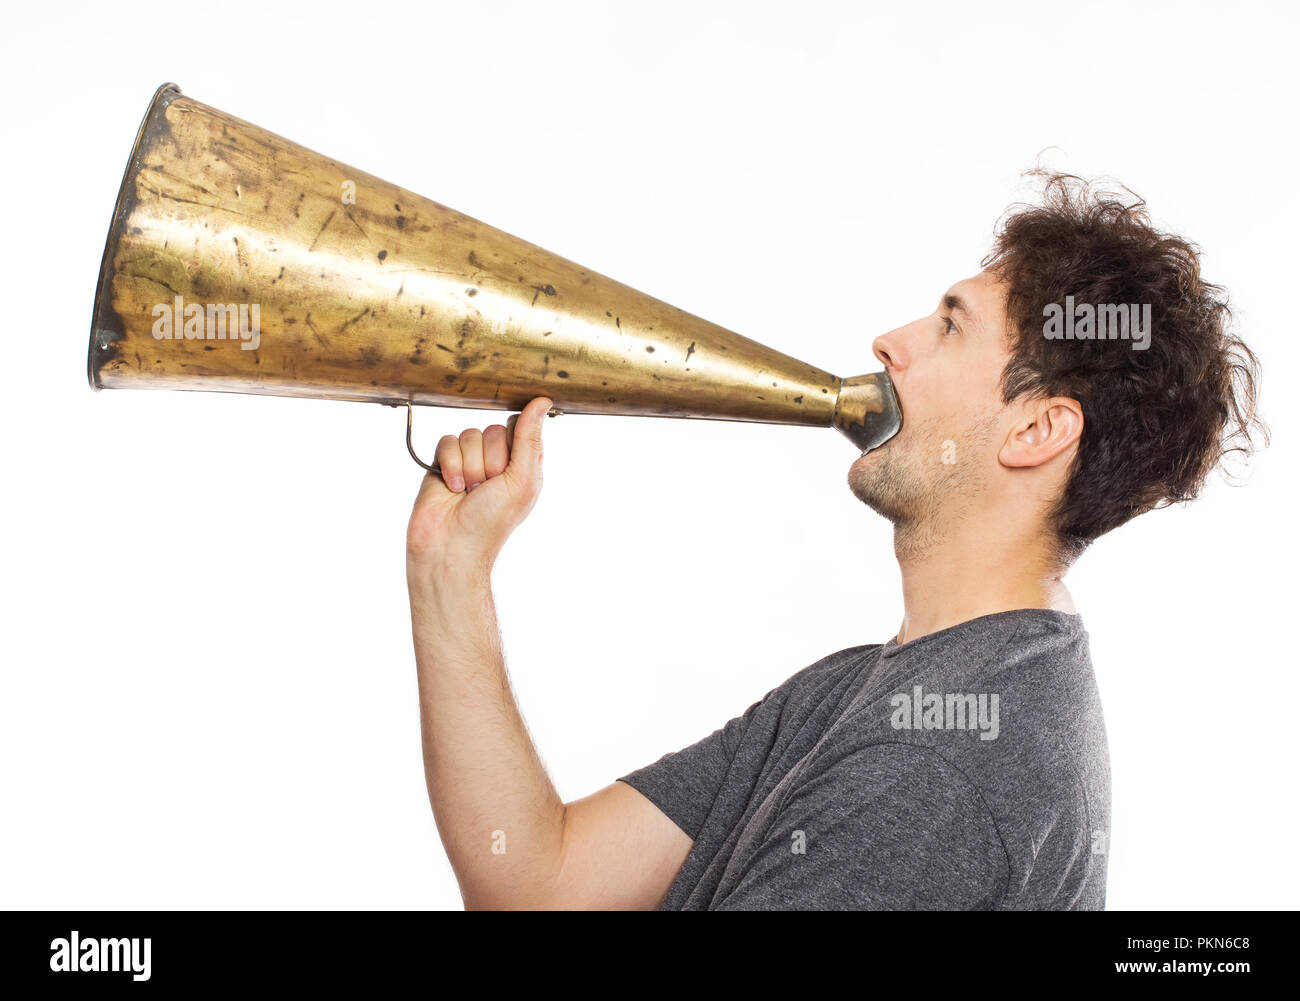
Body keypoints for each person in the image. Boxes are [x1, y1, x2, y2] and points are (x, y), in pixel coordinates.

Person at [403, 171, 1264, 910]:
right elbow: (544, 882)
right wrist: (452, 569)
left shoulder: (932, 771)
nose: (888, 342)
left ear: (1039, 428)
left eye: (951, 325)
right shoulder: (882, 686)